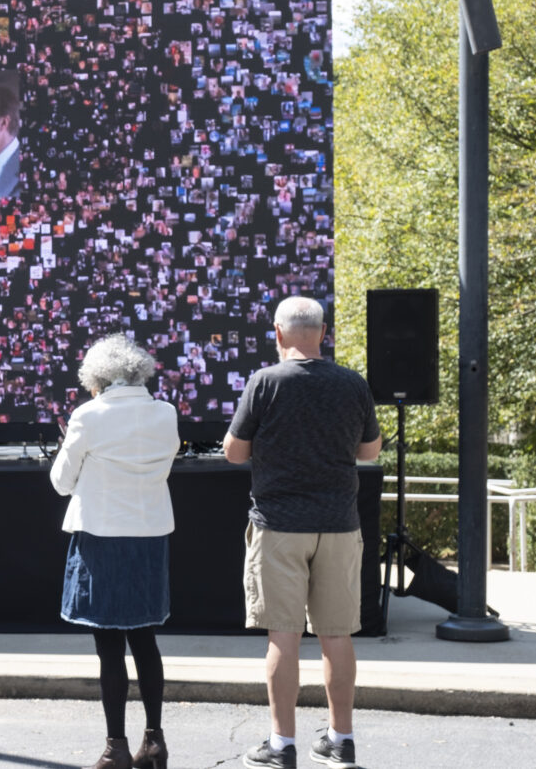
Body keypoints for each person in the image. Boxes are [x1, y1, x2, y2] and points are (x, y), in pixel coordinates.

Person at [223, 296, 381, 769]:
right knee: (337, 635)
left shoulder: (265, 382)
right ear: (323, 332)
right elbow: (370, 452)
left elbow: (234, 452)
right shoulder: (353, 382)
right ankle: (340, 739)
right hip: (338, 524)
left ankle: (281, 746)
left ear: (277, 333)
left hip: (279, 527)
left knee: (283, 637)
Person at [50, 335, 180, 769]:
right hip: (149, 537)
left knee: (109, 648)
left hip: (103, 538)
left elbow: (61, 483)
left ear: (98, 378)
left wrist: (73, 445)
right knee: (146, 640)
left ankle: (116, 748)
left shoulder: (88, 415)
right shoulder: (166, 413)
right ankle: (155, 742)